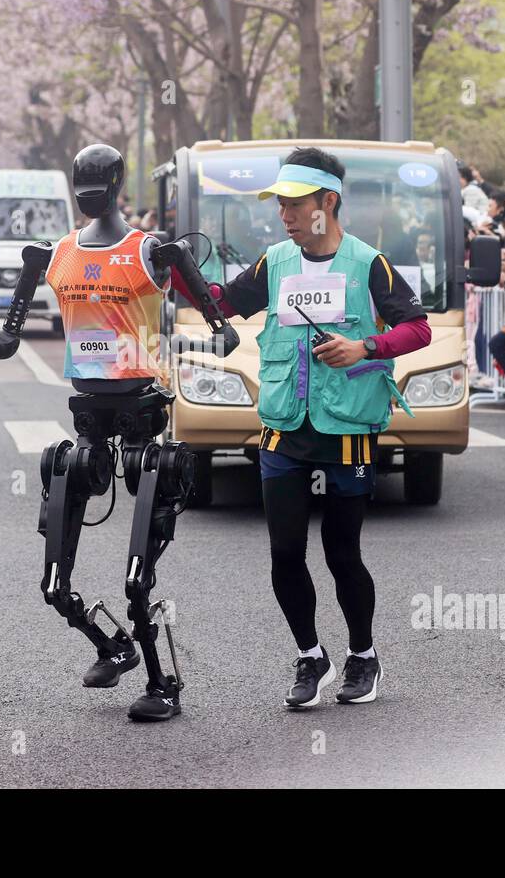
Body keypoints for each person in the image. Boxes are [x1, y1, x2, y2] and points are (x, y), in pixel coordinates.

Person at [171, 147, 432, 707]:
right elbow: (221, 303)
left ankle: (363, 656)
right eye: (280, 204)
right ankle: (311, 656)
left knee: (342, 553)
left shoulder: (370, 264)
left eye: (294, 204)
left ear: (328, 202)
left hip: (348, 430)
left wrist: (365, 346)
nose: (283, 215)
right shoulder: (275, 263)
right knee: (285, 551)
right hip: (283, 428)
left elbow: (418, 329)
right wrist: (173, 267)